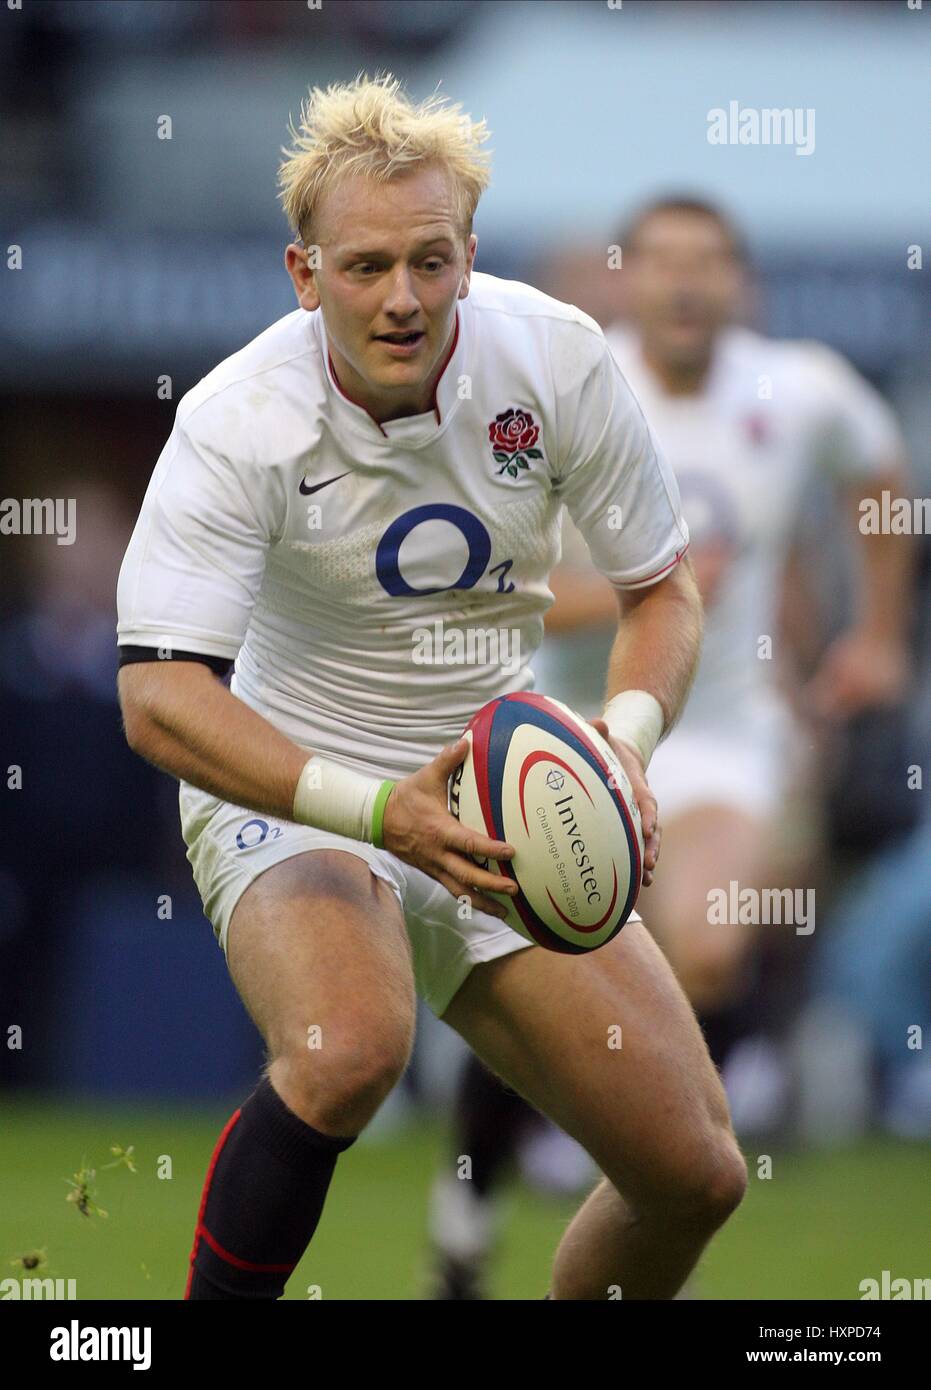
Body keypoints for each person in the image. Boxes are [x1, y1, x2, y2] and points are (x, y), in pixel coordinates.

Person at [116, 77, 744, 1302]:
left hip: (496, 796)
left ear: (468, 255)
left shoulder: (554, 356)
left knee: (695, 1173)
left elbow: (660, 589)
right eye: (362, 268)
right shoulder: (236, 420)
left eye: (430, 259)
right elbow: (158, 698)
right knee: (349, 1046)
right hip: (297, 784)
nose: (400, 298)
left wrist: (621, 743)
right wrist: (375, 811)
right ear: (304, 275)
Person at [427, 197, 912, 1298]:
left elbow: (880, 475)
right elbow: (485, 585)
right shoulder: (563, 391)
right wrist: (637, 594)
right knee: (532, 973)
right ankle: (470, 1205)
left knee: (703, 948)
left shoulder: (799, 388)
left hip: (721, 738)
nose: (685, 285)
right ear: (626, 280)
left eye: (708, 264)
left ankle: (638, 1202)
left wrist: (878, 634)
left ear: (740, 283)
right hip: (552, 737)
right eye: (662, 263)